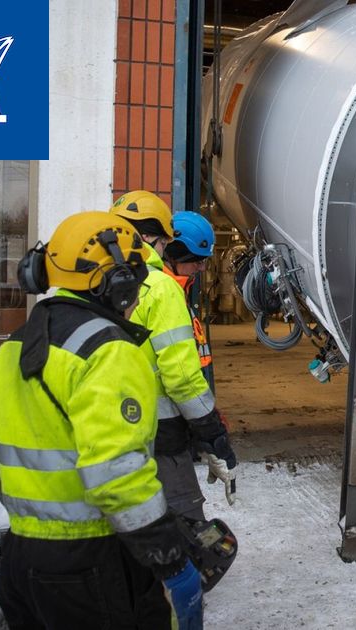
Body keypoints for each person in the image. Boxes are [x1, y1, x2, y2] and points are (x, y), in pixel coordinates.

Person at [0, 212, 203, 629]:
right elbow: (117, 475)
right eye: (137, 276)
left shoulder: (14, 349)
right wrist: (168, 555)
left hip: (19, 560)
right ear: (116, 284)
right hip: (90, 566)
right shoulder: (110, 352)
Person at [110, 191, 237, 521]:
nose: (199, 269)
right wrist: (211, 434)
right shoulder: (161, 290)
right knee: (184, 521)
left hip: (116, 430)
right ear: (156, 241)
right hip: (161, 435)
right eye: (196, 260)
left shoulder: (102, 284)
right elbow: (180, 376)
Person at [160, 211, 216, 392]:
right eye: (198, 261)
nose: (202, 268)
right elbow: (179, 371)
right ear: (174, 257)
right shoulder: (164, 293)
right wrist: (204, 416)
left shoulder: (177, 288)